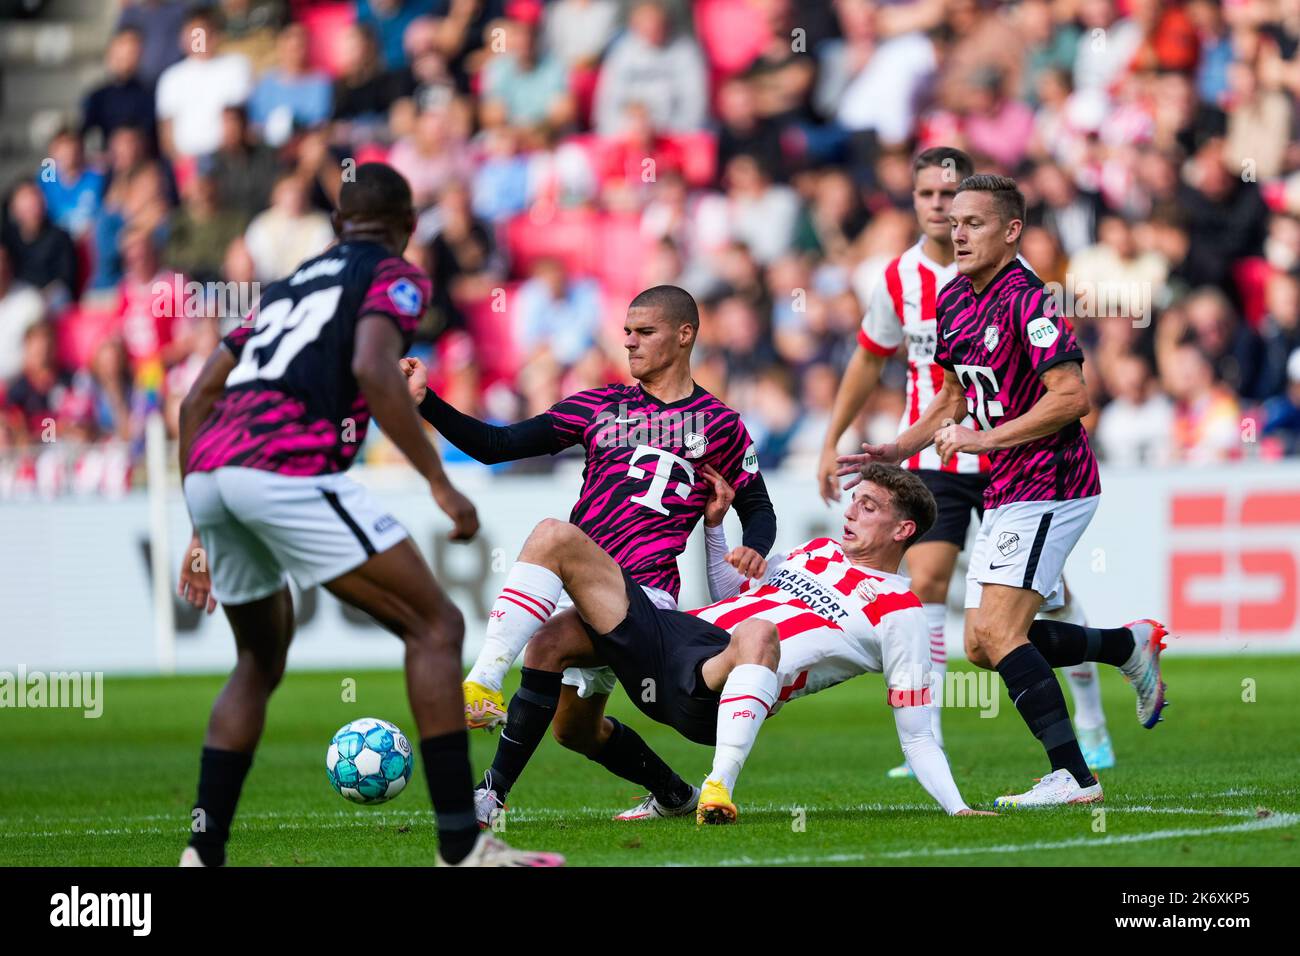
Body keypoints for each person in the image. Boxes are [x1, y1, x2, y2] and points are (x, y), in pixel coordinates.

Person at [174, 162, 561, 866]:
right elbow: (375, 369)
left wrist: (202, 527)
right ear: (408, 228)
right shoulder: (393, 276)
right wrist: (443, 485)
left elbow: (195, 398)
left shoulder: (288, 287)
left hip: (212, 472)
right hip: (287, 468)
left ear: (335, 226)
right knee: (437, 626)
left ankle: (201, 855)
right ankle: (462, 847)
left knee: (257, 661)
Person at [839, 174, 1169, 808]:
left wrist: (985, 443)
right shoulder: (955, 300)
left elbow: (1072, 398)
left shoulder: (1033, 300)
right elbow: (955, 398)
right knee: (982, 645)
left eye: (974, 223)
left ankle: (1075, 776)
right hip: (1010, 486)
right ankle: (1127, 646)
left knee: (995, 635)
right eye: (953, 222)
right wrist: (897, 449)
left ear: (1011, 230)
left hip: (1053, 481)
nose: (956, 232)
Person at [401, 284, 778, 821]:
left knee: (554, 540)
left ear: (684, 335)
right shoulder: (597, 404)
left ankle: (483, 708)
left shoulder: (720, 424)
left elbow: (759, 506)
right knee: (574, 728)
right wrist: (427, 402)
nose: (629, 343)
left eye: (645, 332)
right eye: (626, 332)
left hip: (647, 599)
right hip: (592, 595)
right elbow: (496, 446)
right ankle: (674, 794)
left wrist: (751, 547)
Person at [484, 462, 996, 824]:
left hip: (715, 692)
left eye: (869, 506)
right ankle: (493, 785)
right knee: (556, 568)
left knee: (759, 632)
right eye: (854, 500)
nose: (851, 512)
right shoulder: (817, 551)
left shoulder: (902, 613)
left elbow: (919, 736)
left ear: (903, 529)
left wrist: (958, 807)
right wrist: (714, 530)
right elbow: (732, 596)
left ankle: (718, 787)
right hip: (677, 636)